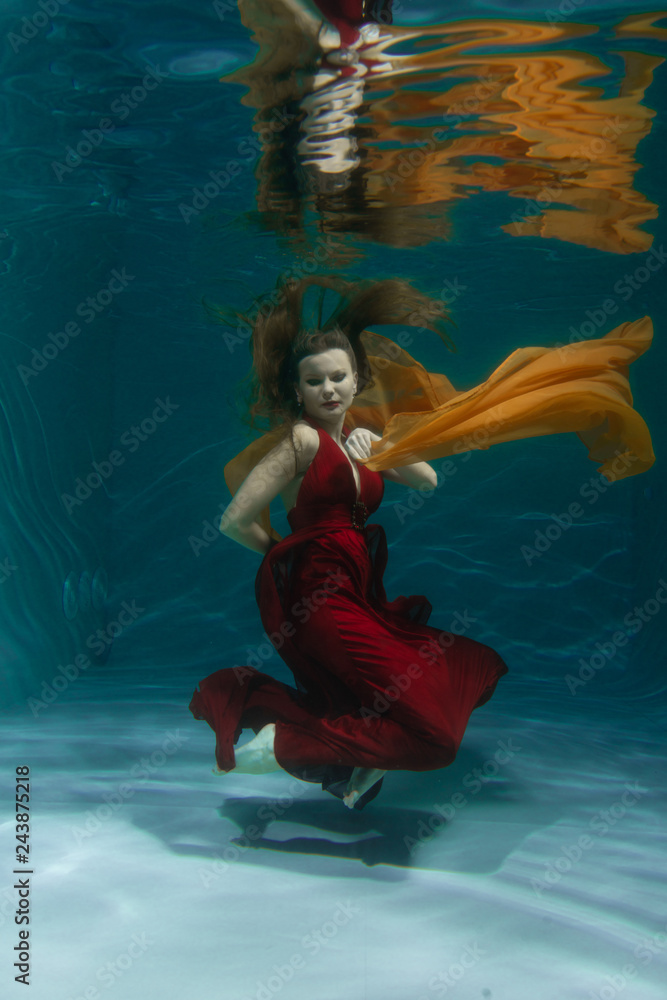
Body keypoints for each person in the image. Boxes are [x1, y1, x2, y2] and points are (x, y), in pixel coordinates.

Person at [189, 276, 654, 810]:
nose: (329, 390)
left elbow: (428, 481)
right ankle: (282, 745)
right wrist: (285, 553)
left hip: (357, 593)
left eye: (339, 377)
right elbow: (233, 520)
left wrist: (383, 448)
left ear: (357, 379)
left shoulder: (356, 440)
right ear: (298, 390)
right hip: (321, 602)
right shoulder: (302, 439)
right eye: (315, 382)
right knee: (433, 735)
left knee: (463, 669)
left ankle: (361, 758)